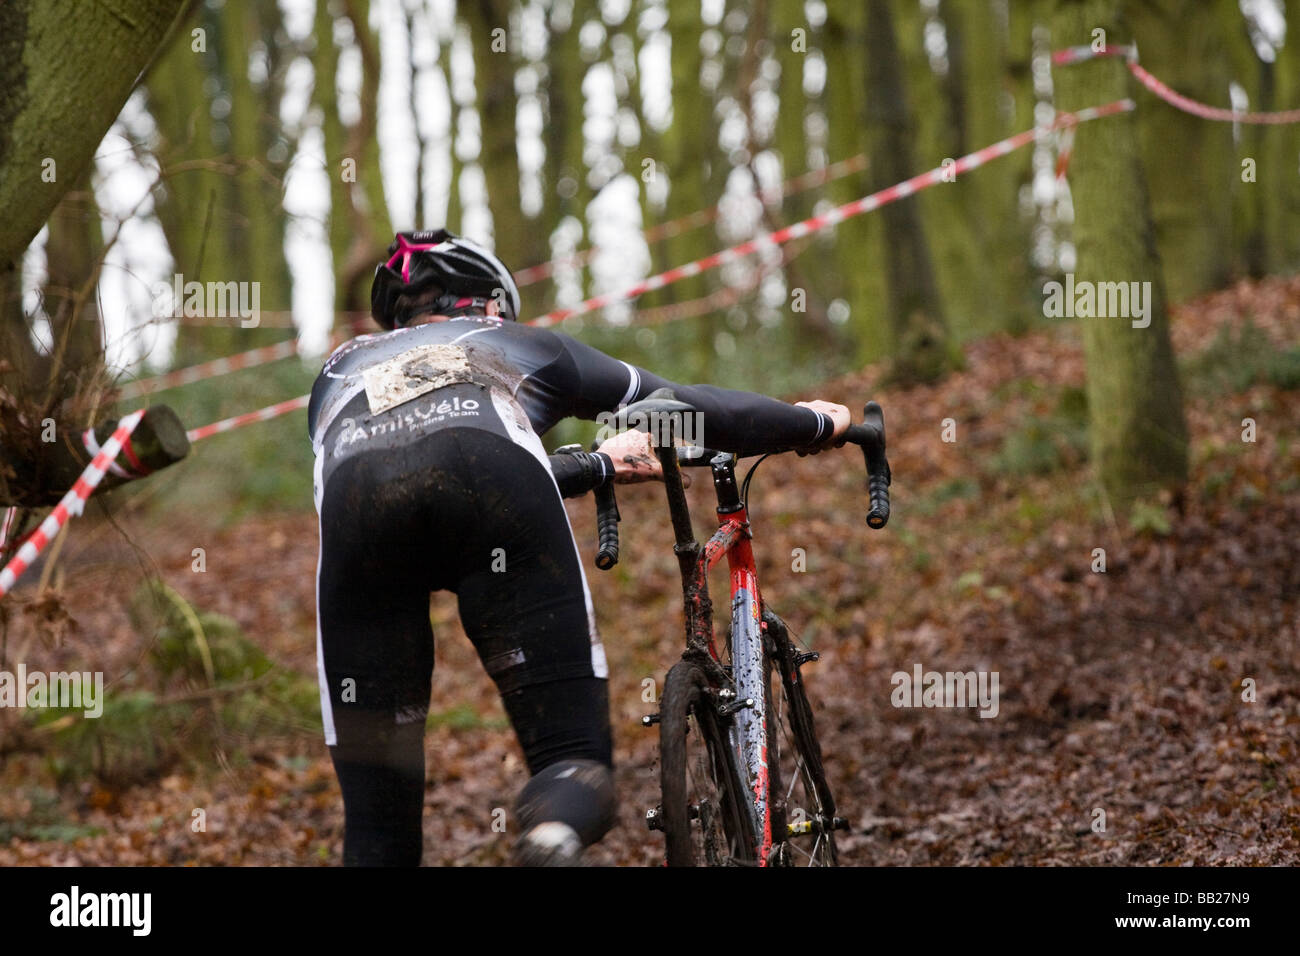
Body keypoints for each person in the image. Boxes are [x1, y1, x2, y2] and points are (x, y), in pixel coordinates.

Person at [309, 228, 850, 866]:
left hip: (356, 513)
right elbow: (683, 411)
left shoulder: (337, 371)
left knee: (377, 828)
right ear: (489, 306)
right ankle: (550, 836)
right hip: (498, 486)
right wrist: (812, 421)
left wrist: (594, 466)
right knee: (572, 763)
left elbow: (422, 458)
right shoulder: (514, 342)